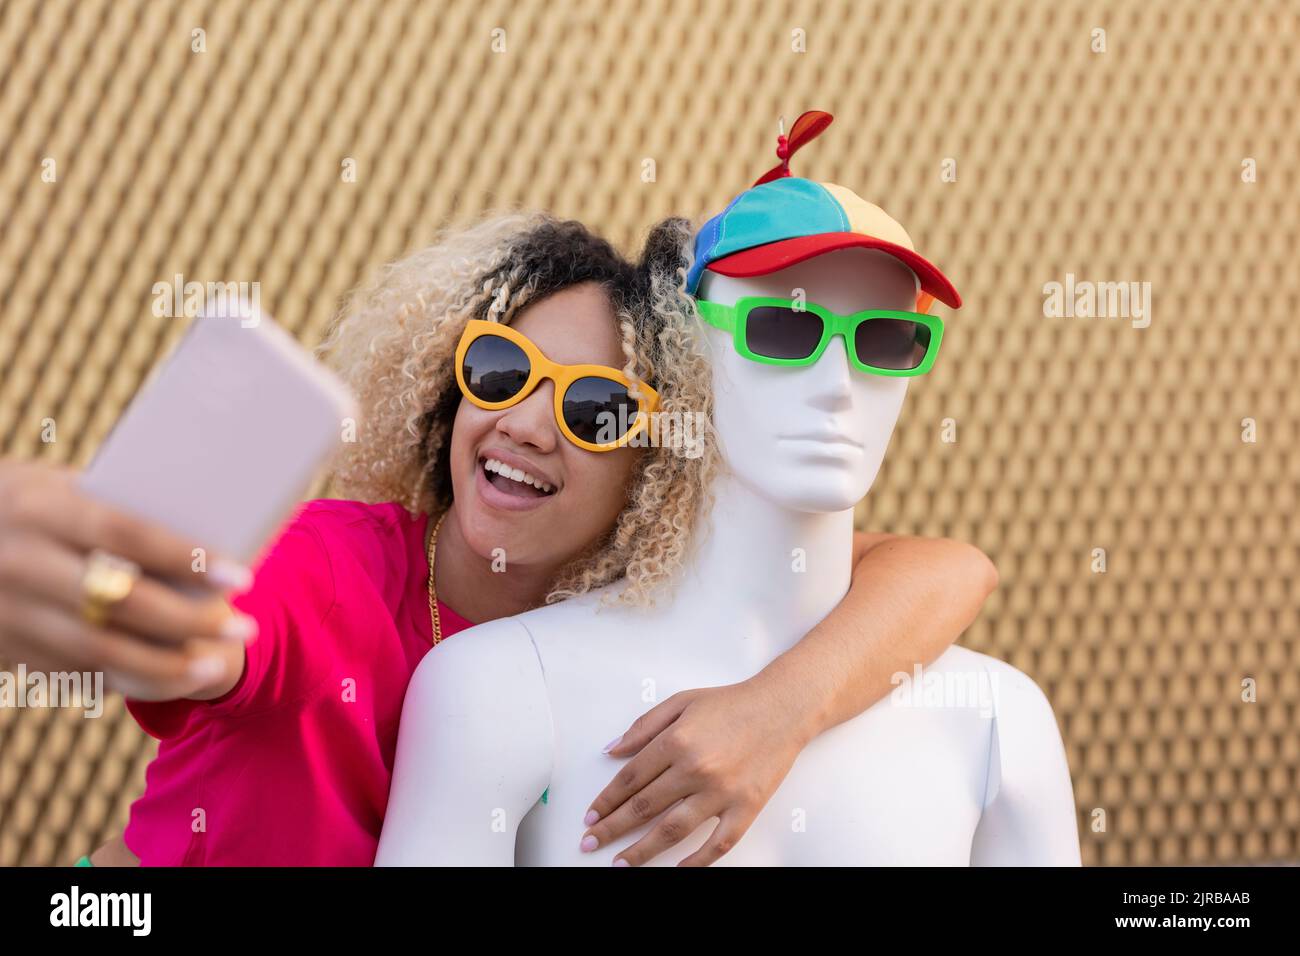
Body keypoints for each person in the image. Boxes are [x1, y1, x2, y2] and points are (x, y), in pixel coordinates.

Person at [0, 211, 996, 866]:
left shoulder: (627, 619)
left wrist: (776, 711)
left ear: (658, 465)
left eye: (596, 406)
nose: (526, 421)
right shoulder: (337, 565)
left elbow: (944, 568)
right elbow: (203, 625)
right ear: (447, 391)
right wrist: (118, 603)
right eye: (499, 370)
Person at [376, 161, 1079, 865]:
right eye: (782, 329)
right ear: (686, 355)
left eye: (884, 339)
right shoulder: (496, 687)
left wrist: (785, 707)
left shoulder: (998, 720)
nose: (839, 385)